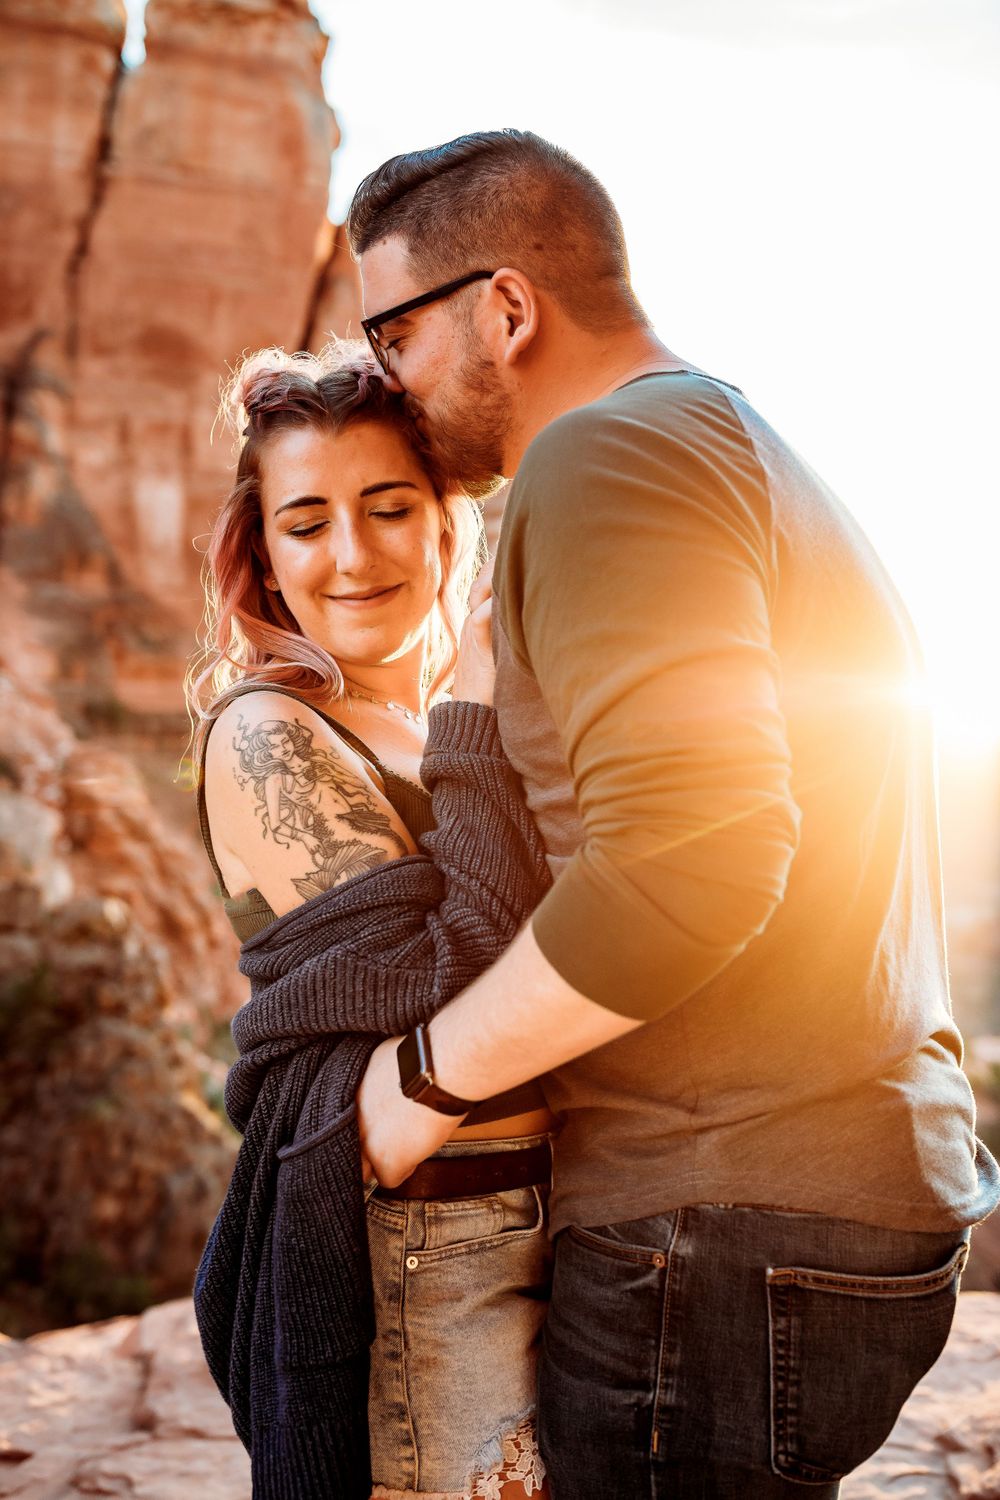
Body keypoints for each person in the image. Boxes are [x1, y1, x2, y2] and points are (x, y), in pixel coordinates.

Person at [345, 129, 1000, 1498]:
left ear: (507, 307)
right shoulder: (722, 440)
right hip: (810, 1201)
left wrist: (418, 1080)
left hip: (716, 1218)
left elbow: (691, 860)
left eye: (393, 332)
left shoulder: (609, 460)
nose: (383, 379)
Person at [187, 341, 555, 1499]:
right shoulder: (267, 734)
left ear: (449, 523)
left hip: (568, 1209)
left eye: (388, 507)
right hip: (434, 1244)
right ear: (265, 555)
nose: (350, 556)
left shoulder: (437, 718)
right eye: (306, 523)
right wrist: (478, 706)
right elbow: (447, 971)